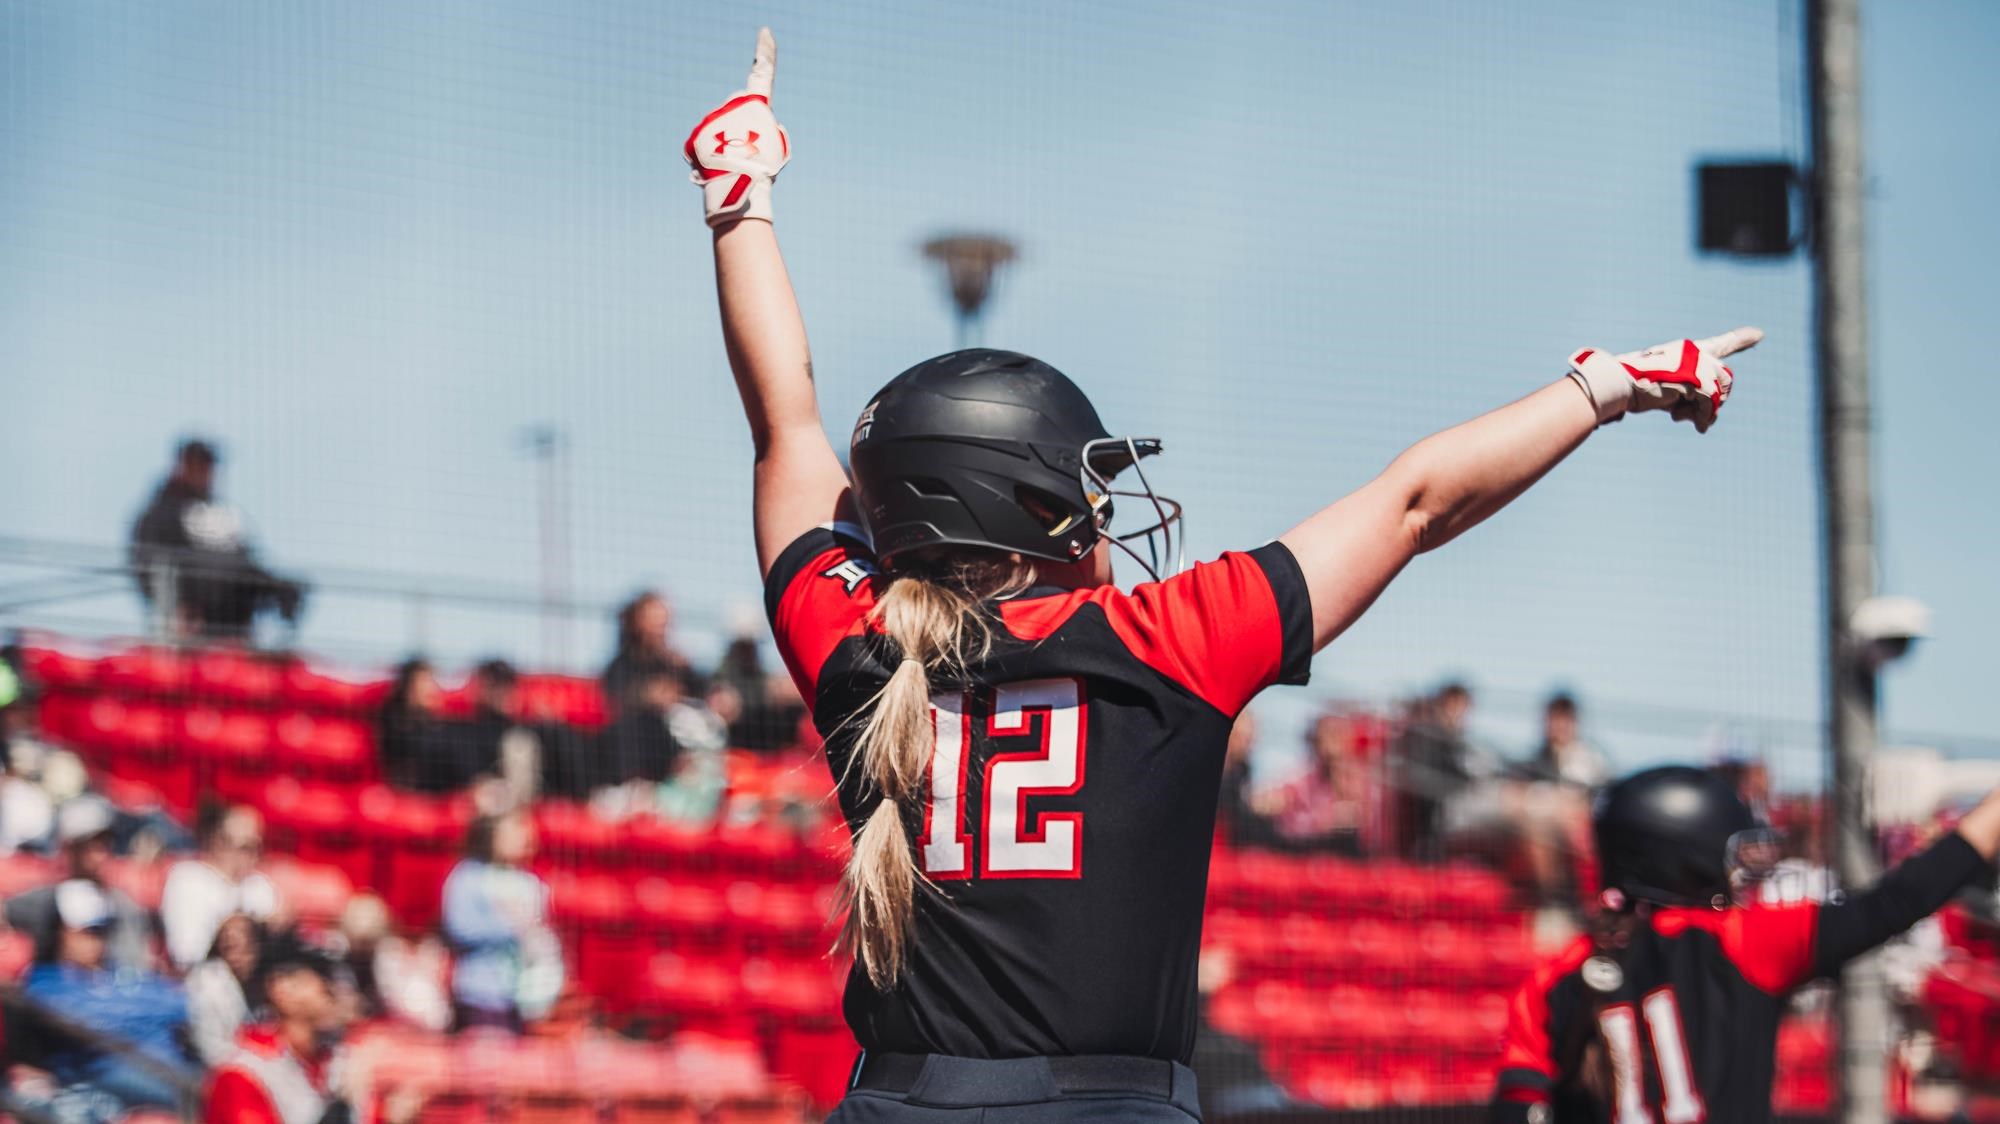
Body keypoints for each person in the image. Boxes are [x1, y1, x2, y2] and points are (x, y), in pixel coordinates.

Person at [690, 28, 1760, 1121]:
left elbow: (786, 423)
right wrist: (1602, 388)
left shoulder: (852, 645)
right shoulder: (1168, 636)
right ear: (1034, 503)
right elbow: (1417, 497)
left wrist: (741, 205)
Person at [1490, 766, 2000, 1124]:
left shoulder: (1552, 980)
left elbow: (1519, 1107)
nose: (1739, 874)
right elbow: (1898, 900)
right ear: (1685, 857)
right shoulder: (1743, 940)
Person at [21, 881, 197, 1115]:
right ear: (60, 932)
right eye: (89, 931)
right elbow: (86, 1022)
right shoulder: (45, 980)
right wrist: (138, 1011)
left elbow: (179, 1005)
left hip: (171, 1068)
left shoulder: (121, 972)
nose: (98, 941)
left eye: (103, 930)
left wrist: (119, 1011)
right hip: (105, 1073)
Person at [205, 932, 393, 1124]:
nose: (335, 995)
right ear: (283, 991)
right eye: (324, 982)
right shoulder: (245, 1073)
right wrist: (342, 1106)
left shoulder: (338, 1062)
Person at [128, 438, 303, 640]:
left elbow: (247, 562)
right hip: (191, 621)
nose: (205, 473)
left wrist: (279, 590)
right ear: (181, 466)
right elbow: (148, 564)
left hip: (234, 619)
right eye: (197, 464)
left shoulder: (222, 514)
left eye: (208, 466)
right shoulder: (160, 514)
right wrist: (177, 608)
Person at [440, 811, 563, 1032]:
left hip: (523, 994)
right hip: (481, 992)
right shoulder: (468, 877)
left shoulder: (528, 882)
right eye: (512, 833)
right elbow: (460, 927)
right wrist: (511, 927)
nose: (521, 838)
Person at [6, 796, 156, 971]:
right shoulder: (44, 900)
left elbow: (134, 969)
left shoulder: (123, 907)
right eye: (90, 845)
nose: (99, 854)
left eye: (105, 844)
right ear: (70, 847)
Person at [162, 803, 281, 971]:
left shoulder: (260, 886)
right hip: (202, 977)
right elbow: (186, 953)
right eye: (244, 847)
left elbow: (271, 945)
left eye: (257, 847)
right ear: (218, 842)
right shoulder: (188, 878)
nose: (251, 856)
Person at [185, 913, 263, 1066]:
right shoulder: (209, 983)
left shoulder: (262, 984)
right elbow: (212, 1049)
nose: (238, 957)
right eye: (230, 947)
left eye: (246, 947)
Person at [601, 590, 696, 714]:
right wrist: (647, 695)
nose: (660, 629)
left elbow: (698, 692)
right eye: (654, 620)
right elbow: (614, 695)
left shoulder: (675, 666)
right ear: (637, 622)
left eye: (664, 623)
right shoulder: (622, 666)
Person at [376, 657, 450, 790]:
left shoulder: (439, 724)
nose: (430, 689)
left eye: (431, 681)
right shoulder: (392, 722)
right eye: (423, 681)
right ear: (408, 687)